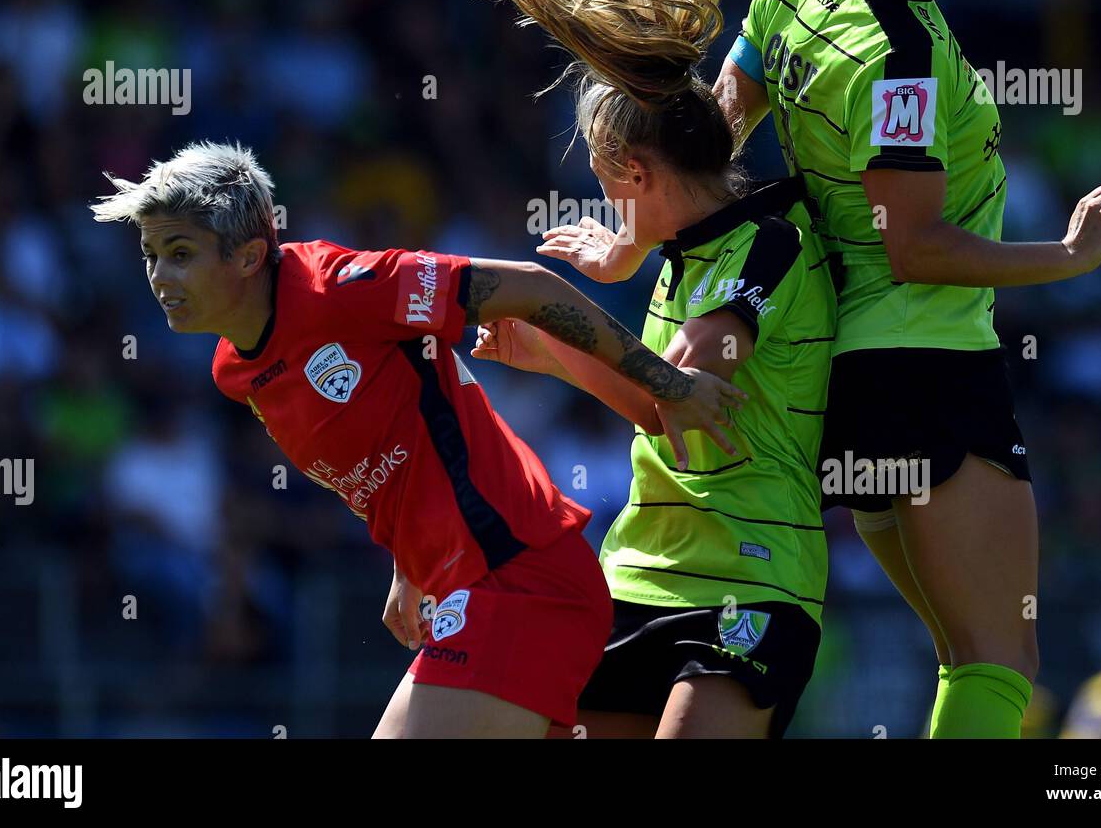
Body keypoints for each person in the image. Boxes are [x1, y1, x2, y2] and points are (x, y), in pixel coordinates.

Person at [549, 0, 1101, 738]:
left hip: (851, 381)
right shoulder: (900, 51)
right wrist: (1066, 256)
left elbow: (712, 144)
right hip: (930, 366)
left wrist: (632, 242)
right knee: (999, 655)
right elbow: (911, 247)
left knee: (967, 649)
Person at [89, 140, 744, 738]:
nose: (159, 277)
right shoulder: (235, 372)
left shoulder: (343, 288)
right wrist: (411, 563)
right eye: (150, 256)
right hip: (476, 588)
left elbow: (534, 289)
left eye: (179, 254)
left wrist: (669, 384)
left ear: (250, 255)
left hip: (520, 579)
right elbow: (414, 393)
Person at [467, 0, 837, 737]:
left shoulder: (769, 245)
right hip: (635, 570)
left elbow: (682, 385)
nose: (606, 206)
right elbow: (657, 401)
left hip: (753, 573)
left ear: (635, 171)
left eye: (605, 181)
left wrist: (555, 321)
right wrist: (553, 352)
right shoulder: (681, 257)